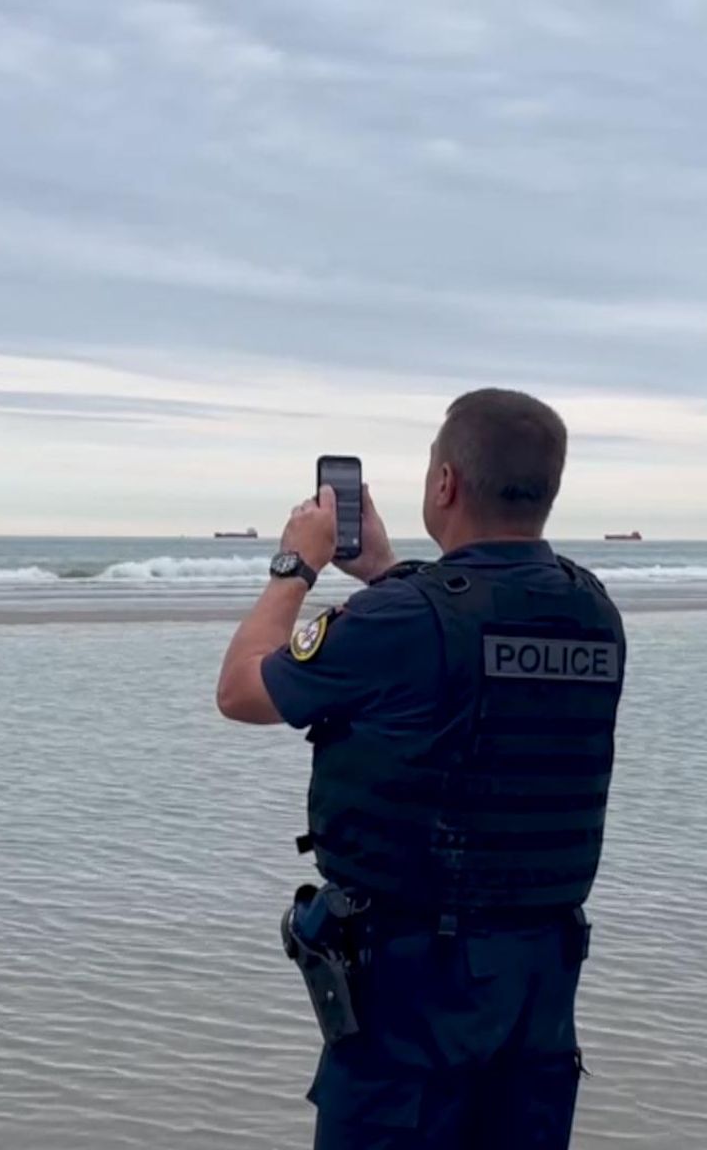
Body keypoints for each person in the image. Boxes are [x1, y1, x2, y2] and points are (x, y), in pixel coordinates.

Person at [215, 389, 627, 1149]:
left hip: (413, 1002)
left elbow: (241, 689)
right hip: (538, 990)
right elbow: (466, 649)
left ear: (444, 485)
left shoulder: (403, 621)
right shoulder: (591, 610)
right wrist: (387, 570)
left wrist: (295, 566)